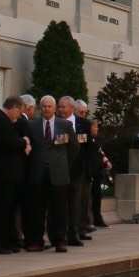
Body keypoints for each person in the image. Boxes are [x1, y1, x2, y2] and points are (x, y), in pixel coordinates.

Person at [27, 95, 73, 253]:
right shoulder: (31, 125)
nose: (46, 109)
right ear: (40, 108)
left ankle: (60, 240)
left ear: (55, 108)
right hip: (38, 173)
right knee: (37, 209)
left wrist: (64, 165)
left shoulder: (65, 125)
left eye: (49, 106)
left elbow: (74, 149)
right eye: (44, 106)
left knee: (59, 209)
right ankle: (36, 241)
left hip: (58, 174)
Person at [0, 94, 30, 253]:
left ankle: (7, 241)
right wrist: (24, 142)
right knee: (1, 210)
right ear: (13, 108)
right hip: (3, 174)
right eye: (19, 112)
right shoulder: (0, 120)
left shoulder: (8, 121)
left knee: (9, 209)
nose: (19, 115)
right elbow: (11, 142)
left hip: (11, 174)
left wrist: (23, 141)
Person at [59, 96, 88, 246]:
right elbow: (55, 141)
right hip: (59, 169)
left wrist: (69, 139)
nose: (61, 110)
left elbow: (84, 142)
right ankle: (60, 235)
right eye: (60, 107)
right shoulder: (55, 122)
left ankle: (74, 233)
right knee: (60, 204)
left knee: (75, 204)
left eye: (64, 107)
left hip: (76, 169)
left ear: (71, 108)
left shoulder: (82, 123)